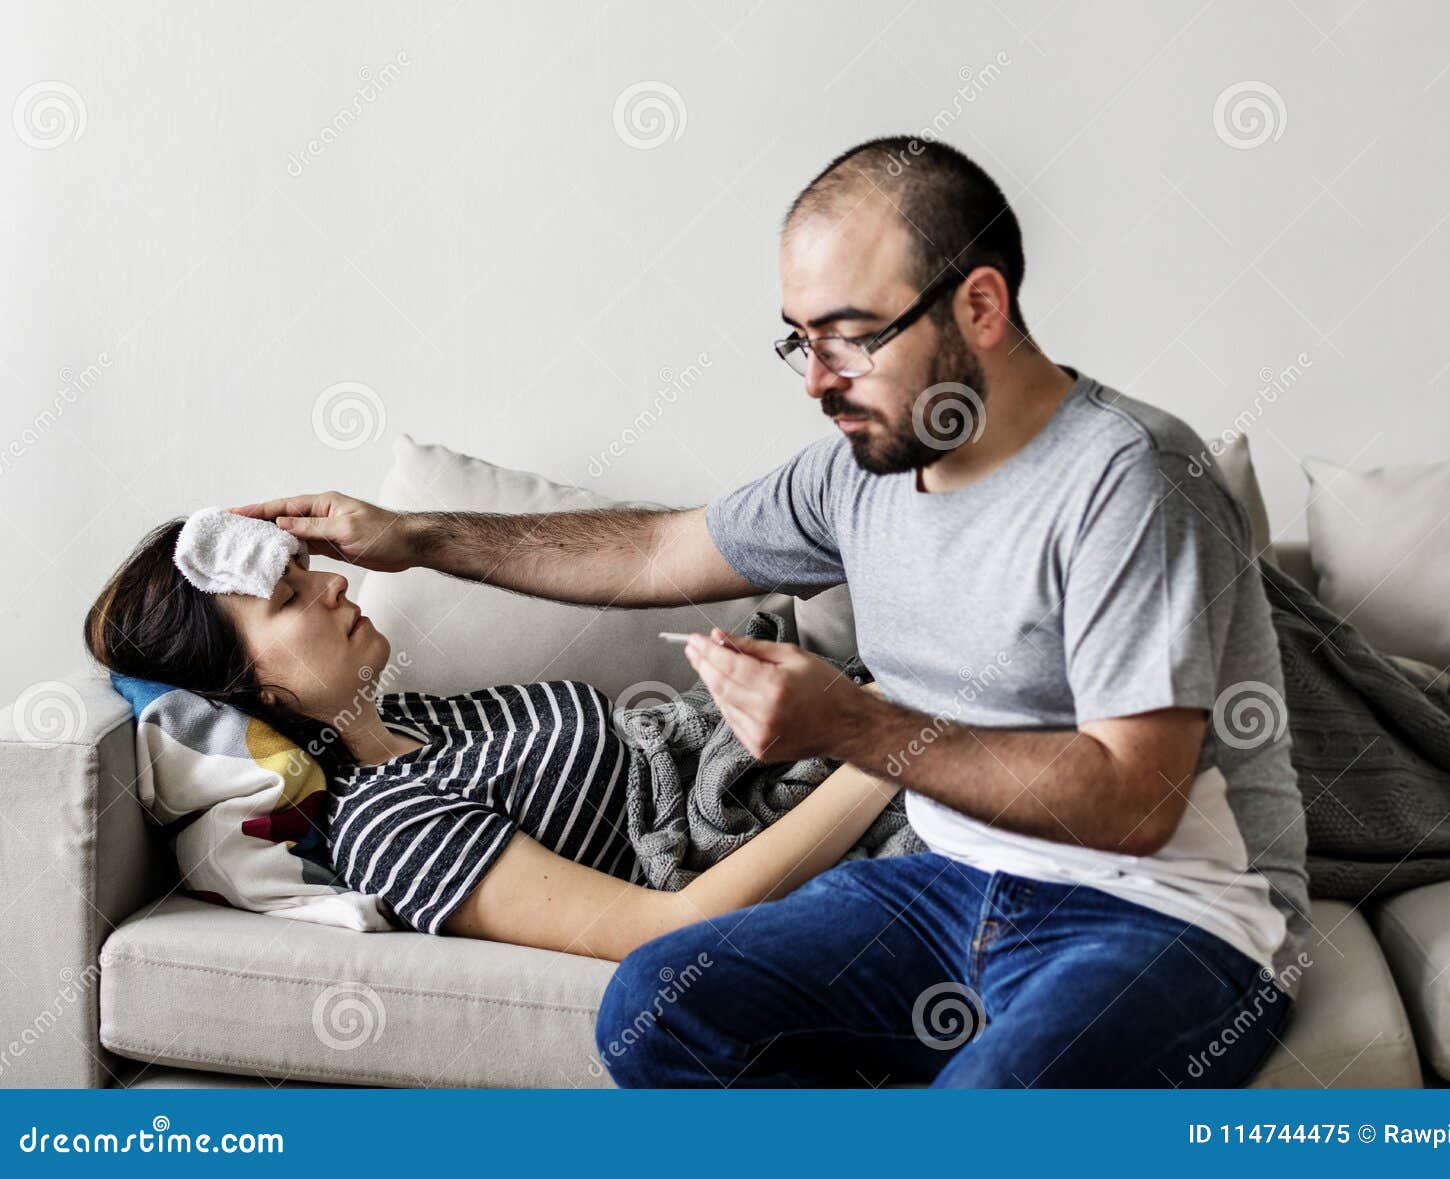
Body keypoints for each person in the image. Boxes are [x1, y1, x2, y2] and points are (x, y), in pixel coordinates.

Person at [238, 135, 1310, 1088]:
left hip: (1165, 915)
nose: (815, 382)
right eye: (800, 340)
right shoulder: (860, 469)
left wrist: (851, 725)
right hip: (945, 885)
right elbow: (656, 549)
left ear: (979, 308)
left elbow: (1134, 802)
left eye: (848, 337)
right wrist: (417, 539)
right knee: (661, 1008)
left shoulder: (1126, 479)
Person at [83, 520, 899, 962]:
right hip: (839, 803)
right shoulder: (387, 824)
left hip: (806, 751)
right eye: (292, 594)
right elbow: (672, 926)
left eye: (309, 567)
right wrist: (891, 748)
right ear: (250, 687)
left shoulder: (418, 721)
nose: (333, 582)